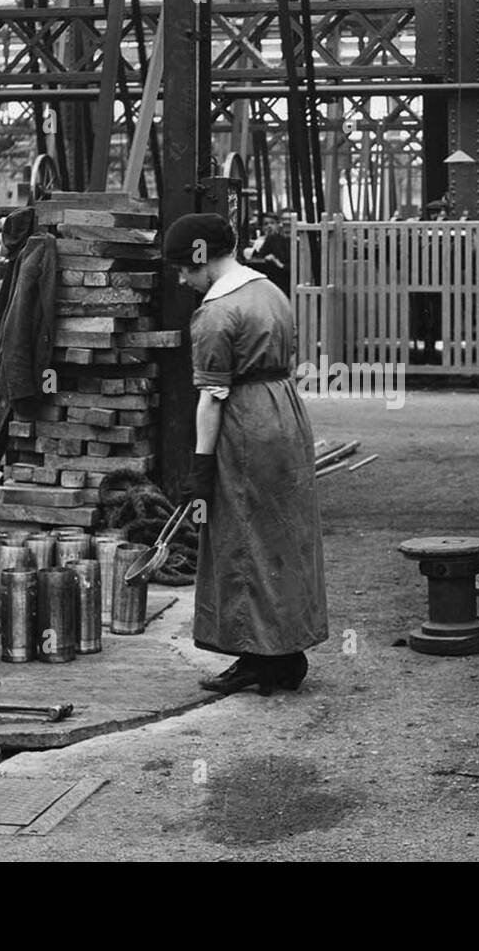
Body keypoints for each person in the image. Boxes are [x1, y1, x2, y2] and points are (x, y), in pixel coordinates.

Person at [164, 212, 329, 695]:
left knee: (241, 539)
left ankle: (259, 656)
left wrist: (200, 467)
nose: (180, 277)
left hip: (246, 428)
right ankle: (284, 651)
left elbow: (211, 399)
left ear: (200, 257)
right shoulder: (271, 291)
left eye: (182, 267)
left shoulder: (215, 314)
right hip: (286, 416)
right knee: (282, 538)